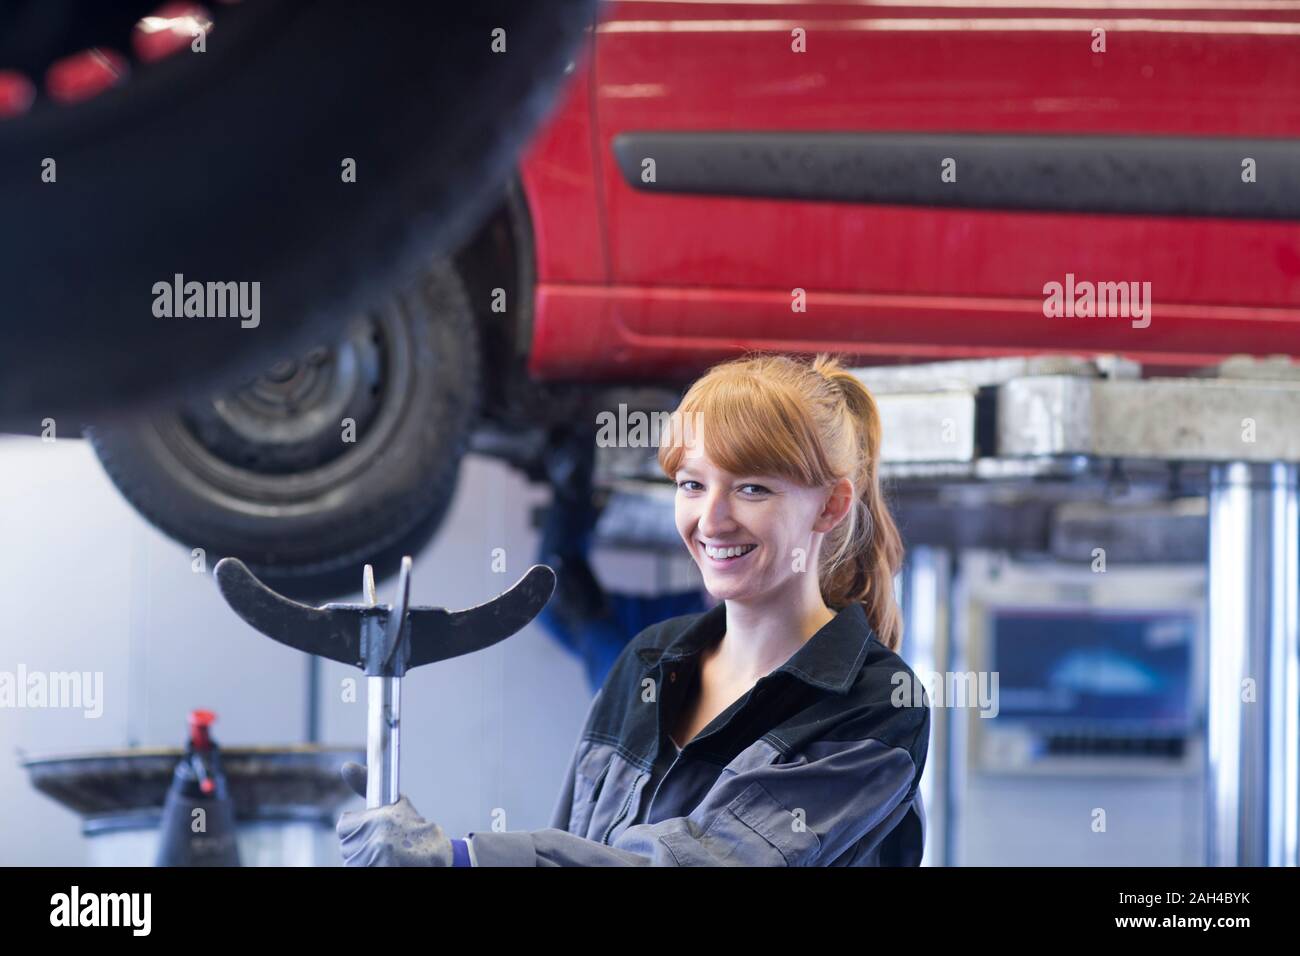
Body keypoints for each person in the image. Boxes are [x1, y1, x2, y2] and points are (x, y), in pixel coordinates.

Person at [337, 352, 931, 866]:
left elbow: (704, 859)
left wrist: (462, 856)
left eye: (753, 488)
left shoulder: (872, 706)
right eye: (693, 485)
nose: (712, 519)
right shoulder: (646, 663)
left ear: (830, 507)